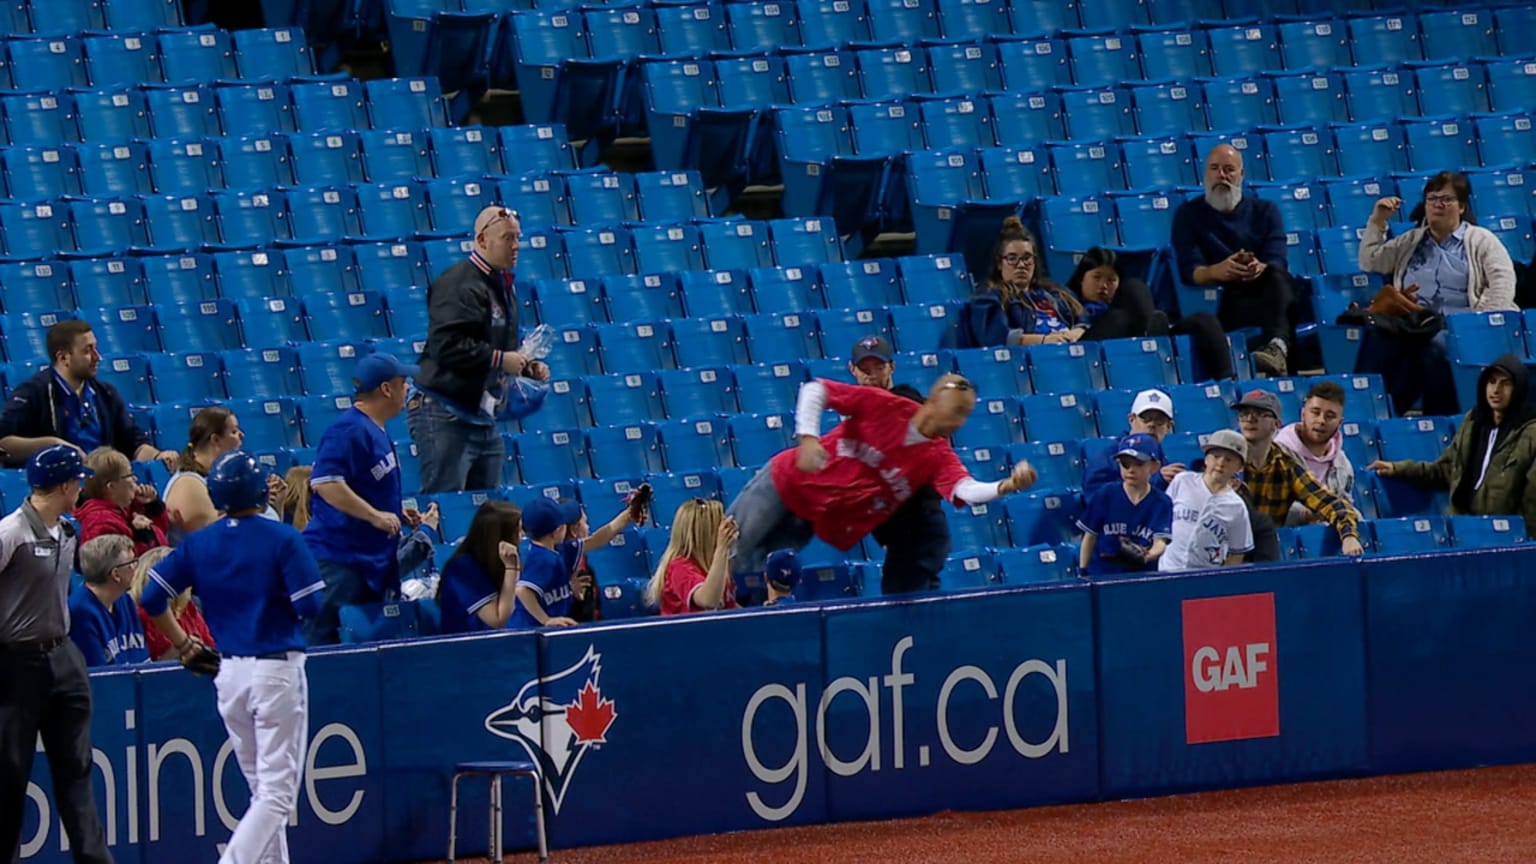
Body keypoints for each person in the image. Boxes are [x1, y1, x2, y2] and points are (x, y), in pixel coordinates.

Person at [140, 450, 325, 864]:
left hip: (228, 674)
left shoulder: (199, 542)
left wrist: (185, 644)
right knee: (277, 794)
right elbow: (311, 606)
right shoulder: (281, 537)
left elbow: (151, 596)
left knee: (263, 790)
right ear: (261, 491)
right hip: (275, 667)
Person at [727, 374, 1039, 586]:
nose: (959, 422)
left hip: (811, 517)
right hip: (785, 482)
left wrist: (1005, 486)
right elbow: (816, 390)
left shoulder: (937, 456)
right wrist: (808, 438)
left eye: (965, 415)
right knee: (726, 557)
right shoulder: (884, 405)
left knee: (754, 581)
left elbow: (965, 489)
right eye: (957, 410)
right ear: (934, 399)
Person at [0, 445, 112, 864]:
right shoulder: (10, 533)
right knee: (10, 778)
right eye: (78, 481)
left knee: (77, 774)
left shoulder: (66, 531)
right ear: (65, 486)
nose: (82, 487)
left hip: (63, 658)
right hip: (17, 664)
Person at [409, 205, 551, 494]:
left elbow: (497, 345)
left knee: (487, 513)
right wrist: (501, 359)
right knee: (448, 508)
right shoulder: (458, 283)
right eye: (508, 238)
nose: (516, 246)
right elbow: (446, 346)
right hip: (444, 411)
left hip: (481, 412)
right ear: (483, 240)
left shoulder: (502, 284)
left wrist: (525, 366)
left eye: (518, 238)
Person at [1357, 172, 1519, 416]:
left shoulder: (1482, 240)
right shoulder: (1411, 240)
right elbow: (1370, 262)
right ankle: (1374, 415)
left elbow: (1503, 286)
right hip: (1416, 324)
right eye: (1432, 199)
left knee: (1432, 346)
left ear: (1462, 206)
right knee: (1379, 337)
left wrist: (1473, 323)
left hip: (1462, 327)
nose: (1437, 205)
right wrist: (1378, 220)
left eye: (1446, 199)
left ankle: (1440, 419)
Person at [303, 354, 425, 645]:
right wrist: (374, 515)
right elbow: (325, 482)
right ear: (386, 389)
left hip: (367, 561)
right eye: (402, 383)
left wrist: (394, 511)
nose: (407, 389)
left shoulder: (374, 428)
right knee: (323, 644)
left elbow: (361, 483)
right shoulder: (349, 428)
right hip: (339, 559)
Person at [1368, 354, 1536, 535]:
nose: (1496, 390)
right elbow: (1446, 470)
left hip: (1507, 535)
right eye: (1492, 382)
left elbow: (1532, 498)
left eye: (1506, 383)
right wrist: (1398, 468)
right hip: (1463, 528)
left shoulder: (1530, 432)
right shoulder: (1473, 422)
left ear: (1518, 388)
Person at [1171, 144, 1295, 376]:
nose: (1222, 175)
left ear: (1241, 175)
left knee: (1278, 277)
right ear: (1205, 174)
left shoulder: (1266, 211)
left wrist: (1259, 268)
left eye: (1229, 169)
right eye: (1215, 168)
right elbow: (1190, 271)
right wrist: (1218, 271)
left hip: (1262, 297)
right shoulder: (1187, 215)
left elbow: (1277, 259)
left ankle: (1276, 349)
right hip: (1219, 303)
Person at [848, 335, 953, 595]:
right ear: (853, 370)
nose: (871, 376)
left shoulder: (906, 402)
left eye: (879, 368)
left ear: (892, 367)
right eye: (865, 370)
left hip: (918, 528)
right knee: (921, 614)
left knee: (903, 614)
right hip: (906, 535)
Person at [0, 320, 177, 470]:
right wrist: (54, 446)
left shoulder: (105, 394)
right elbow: (4, 444)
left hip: (103, 486)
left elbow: (133, 443)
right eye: (87, 351)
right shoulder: (33, 393)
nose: (97, 356)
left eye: (96, 348)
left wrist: (158, 456)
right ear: (63, 358)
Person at [959, 218, 1150, 348]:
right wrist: (1045, 340)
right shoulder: (989, 296)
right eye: (1012, 258)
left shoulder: (1053, 292)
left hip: (1075, 345)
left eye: (1027, 258)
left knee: (1133, 287)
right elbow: (997, 339)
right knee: (1119, 319)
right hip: (1042, 355)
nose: (1021, 265)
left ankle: (1157, 334)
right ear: (1000, 263)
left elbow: (1082, 317)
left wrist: (1078, 331)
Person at [1065, 246, 1235, 381]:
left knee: (1203, 320)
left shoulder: (1124, 303)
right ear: (1081, 278)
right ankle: (1149, 338)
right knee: (1120, 317)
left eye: (1111, 280)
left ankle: (1228, 383)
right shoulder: (1065, 301)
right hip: (1088, 350)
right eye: (1097, 277)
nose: (1104, 285)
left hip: (1137, 338)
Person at [1233, 390, 1365, 557]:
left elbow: (1329, 502)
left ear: (1276, 424)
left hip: (1264, 552)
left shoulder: (1286, 465)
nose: (1250, 419)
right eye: (1244, 414)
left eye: (1260, 414)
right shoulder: (1226, 457)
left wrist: (1349, 536)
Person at [508, 497, 634, 629]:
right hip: (527, 631)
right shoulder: (542, 558)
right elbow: (522, 591)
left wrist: (627, 515)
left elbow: (597, 540)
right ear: (557, 530)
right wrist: (546, 620)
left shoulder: (560, 550)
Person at [1078, 433, 1173, 576]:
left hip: (1142, 576)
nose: (1131, 470)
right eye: (1125, 464)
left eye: (1139, 464)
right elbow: (1090, 536)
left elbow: (1160, 542)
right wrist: (1083, 570)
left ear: (1154, 466)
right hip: (1102, 574)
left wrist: (1146, 555)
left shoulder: (1161, 502)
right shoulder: (1106, 494)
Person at [1160, 430, 1254, 571]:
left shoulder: (1236, 506)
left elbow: (1237, 553)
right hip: (1167, 569)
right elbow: (1161, 518)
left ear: (1239, 468)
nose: (1221, 463)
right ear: (1206, 459)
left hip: (1204, 576)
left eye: (1229, 459)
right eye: (1216, 456)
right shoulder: (1183, 481)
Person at [163, 406, 253, 539]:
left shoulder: (217, 479)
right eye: (234, 431)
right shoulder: (189, 484)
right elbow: (216, 540)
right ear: (215, 440)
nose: (242, 435)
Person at [1273, 381, 1356, 527]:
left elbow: (1345, 504)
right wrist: (1305, 514)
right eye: (1315, 412)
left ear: (1339, 423)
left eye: (1330, 416)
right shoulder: (1277, 454)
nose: (1321, 420)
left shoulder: (1342, 463)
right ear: (1303, 414)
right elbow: (1270, 507)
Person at [437, 500, 525, 634]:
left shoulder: (497, 560)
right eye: (518, 531)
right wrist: (511, 569)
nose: (522, 536)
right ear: (500, 536)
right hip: (469, 646)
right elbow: (499, 619)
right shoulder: (463, 569)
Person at [645, 498, 740, 616]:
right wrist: (722, 549)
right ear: (704, 534)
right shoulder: (679, 568)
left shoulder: (715, 566)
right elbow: (708, 600)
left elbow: (730, 609)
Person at [1082, 388, 1183, 497]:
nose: (1152, 425)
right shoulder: (1109, 457)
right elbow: (1097, 500)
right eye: (1146, 418)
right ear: (1131, 419)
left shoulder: (1162, 460)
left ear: (1168, 426)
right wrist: (1157, 481)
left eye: (1159, 420)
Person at [68, 534, 149, 667]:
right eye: (131, 563)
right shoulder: (79, 613)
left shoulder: (125, 601)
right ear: (116, 574)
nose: (136, 568)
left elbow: (142, 659)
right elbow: (99, 678)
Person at [76, 447, 170, 553]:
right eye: (129, 475)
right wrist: (144, 535)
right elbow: (124, 563)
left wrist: (152, 506)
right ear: (111, 487)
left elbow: (162, 535)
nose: (135, 479)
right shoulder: (101, 523)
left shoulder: (129, 508)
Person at [130, 546, 214, 662]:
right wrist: (180, 649)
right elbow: (148, 670)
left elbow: (210, 644)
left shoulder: (188, 608)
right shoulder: (143, 617)